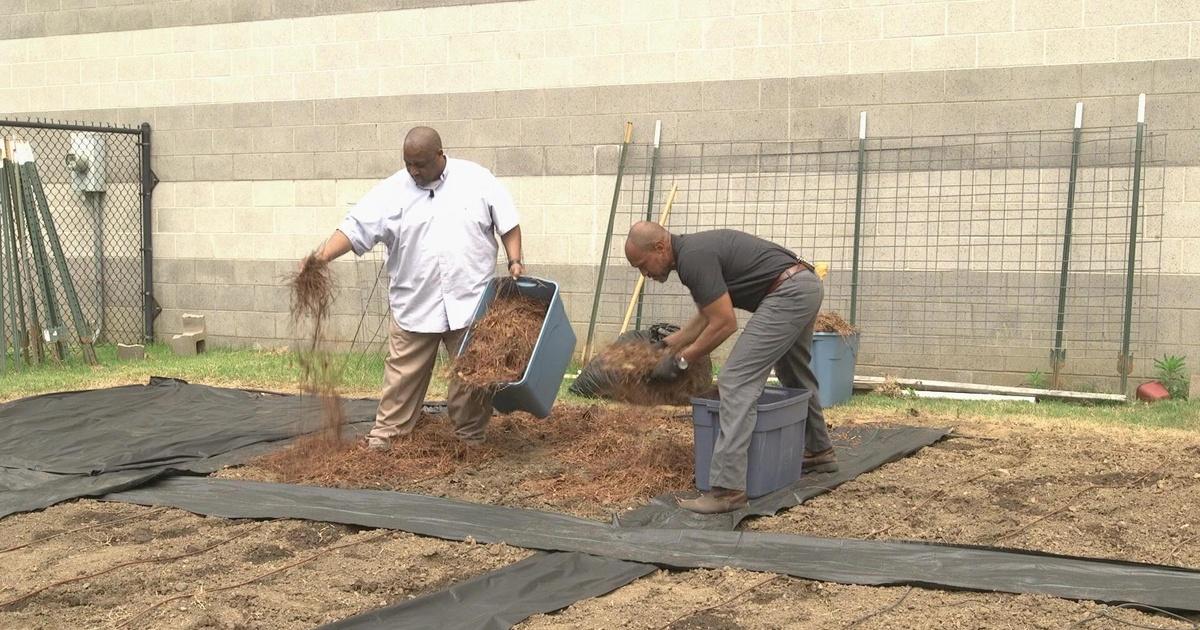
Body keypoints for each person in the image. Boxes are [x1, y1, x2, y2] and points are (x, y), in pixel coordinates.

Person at [308, 126, 524, 450]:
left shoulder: (477, 180)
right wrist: (321, 256)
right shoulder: (391, 191)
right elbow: (355, 227)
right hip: (415, 304)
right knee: (401, 380)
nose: (413, 171)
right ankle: (385, 439)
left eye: (420, 164)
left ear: (440, 155)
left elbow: (508, 222)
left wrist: (515, 261)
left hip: (469, 303)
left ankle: (470, 439)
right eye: (408, 163)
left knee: (470, 381)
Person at [624, 222, 836, 514]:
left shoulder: (693, 259)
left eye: (642, 264)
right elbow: (705, 316)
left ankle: (727, 490)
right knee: (793, 371)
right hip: (803, 284)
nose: (644, 274)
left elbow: (724, 323)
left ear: (659, 247)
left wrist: (683, 361)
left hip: (787, 293)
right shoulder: (693, 252)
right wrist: (665, 347)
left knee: (735, 379)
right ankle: (820, 451)